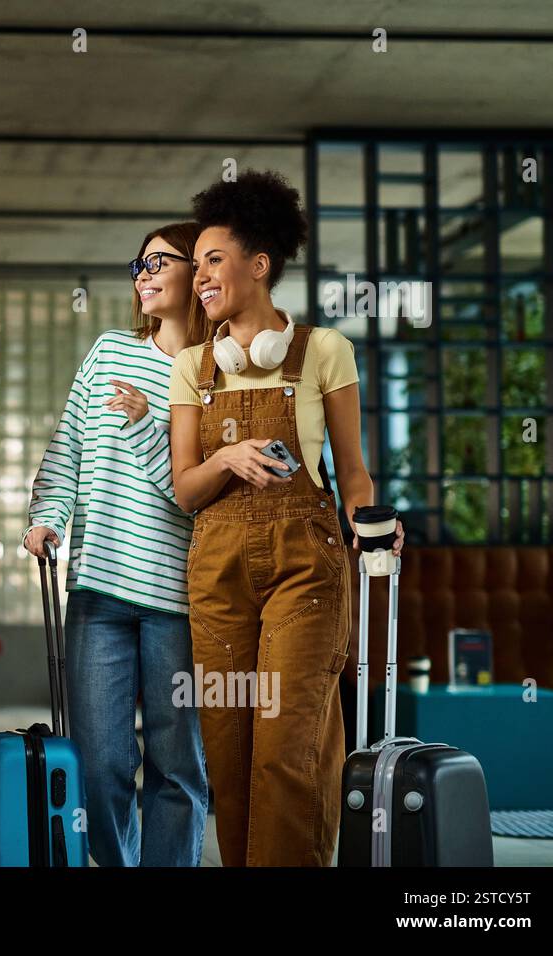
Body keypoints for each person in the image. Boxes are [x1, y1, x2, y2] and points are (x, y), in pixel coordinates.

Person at [169, 169, 405, 866]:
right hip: (217, 575)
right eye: (196, 265)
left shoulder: (323, 351)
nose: (199, 277)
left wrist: (372, 526)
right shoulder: (193, 366)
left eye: (213, 260)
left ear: (259, 264)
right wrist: (227, 458)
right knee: (228, 748)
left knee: (287, 745)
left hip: (306, 567)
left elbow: (353, 473)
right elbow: (185, 489)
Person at [24, 222, 211, 866]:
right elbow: (67, 448)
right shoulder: (108, 352)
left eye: (160, 261)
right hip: (98, 589)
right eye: (139, 263)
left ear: (199, 272)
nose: (143, 274)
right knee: (99, 762)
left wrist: (145, 426)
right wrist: (47, 516)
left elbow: (197, 492)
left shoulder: (216, 375)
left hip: (180, 602)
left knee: (176, 766)